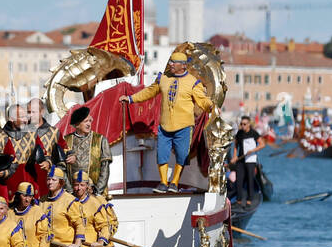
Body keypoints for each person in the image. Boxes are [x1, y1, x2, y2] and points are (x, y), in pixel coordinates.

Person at [122, 50, 213, 193]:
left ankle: (174, 183)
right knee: (161, 154)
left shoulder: (193, 83)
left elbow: (202, 101)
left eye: (173, 62)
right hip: (164, 125)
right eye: (170, 61)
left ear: (183, 66)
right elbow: (149, 92)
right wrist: (131, 99)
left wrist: (211, 106)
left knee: (182, 155)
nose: (170, 64)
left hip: (184, 126)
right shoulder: (163, 78)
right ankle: (164, 183)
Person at [40, 166, 87, 247]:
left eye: (53, 180)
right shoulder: (42, 201)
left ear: (61, 182)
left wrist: (77, 244)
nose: (50, 182)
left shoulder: (70, 200)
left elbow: (79, 224)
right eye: (48, 179)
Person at [68, 169, 113, 247]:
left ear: (87, 186)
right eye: (76, 185)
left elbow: (104, 226)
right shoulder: (68, 201)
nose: (78, 188)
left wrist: (100, 242)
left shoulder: (95, 203)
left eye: (82, 185)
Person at [62, 105, 111, 196]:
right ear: (77, 124)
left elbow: (105, 168)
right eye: (85, 121)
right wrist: (70, 191)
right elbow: (61, 168)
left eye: (90, 121)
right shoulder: (66, 141)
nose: (89, 124)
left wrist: (98, 191)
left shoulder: (101, 140)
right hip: (73, 194)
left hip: (95, 192)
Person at [11, 182, 50, 247]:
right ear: (18, 196)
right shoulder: (9, 213)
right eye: (24, 196)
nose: (27, 199)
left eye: (30, 196)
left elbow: (45, 235)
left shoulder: (37, 212)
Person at [231, 115, 262, 206]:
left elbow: (262, 144)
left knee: (250, 179)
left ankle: (249, 200)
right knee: (239, 180)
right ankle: (239, 200)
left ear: (249, 124)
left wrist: (253, 150)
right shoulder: (239, 133)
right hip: (240, 160)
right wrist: (234, 156)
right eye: (241, 124)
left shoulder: (254, 133)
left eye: (244, 124)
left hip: (251, 160)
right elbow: (236, 146)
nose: (242, 126)